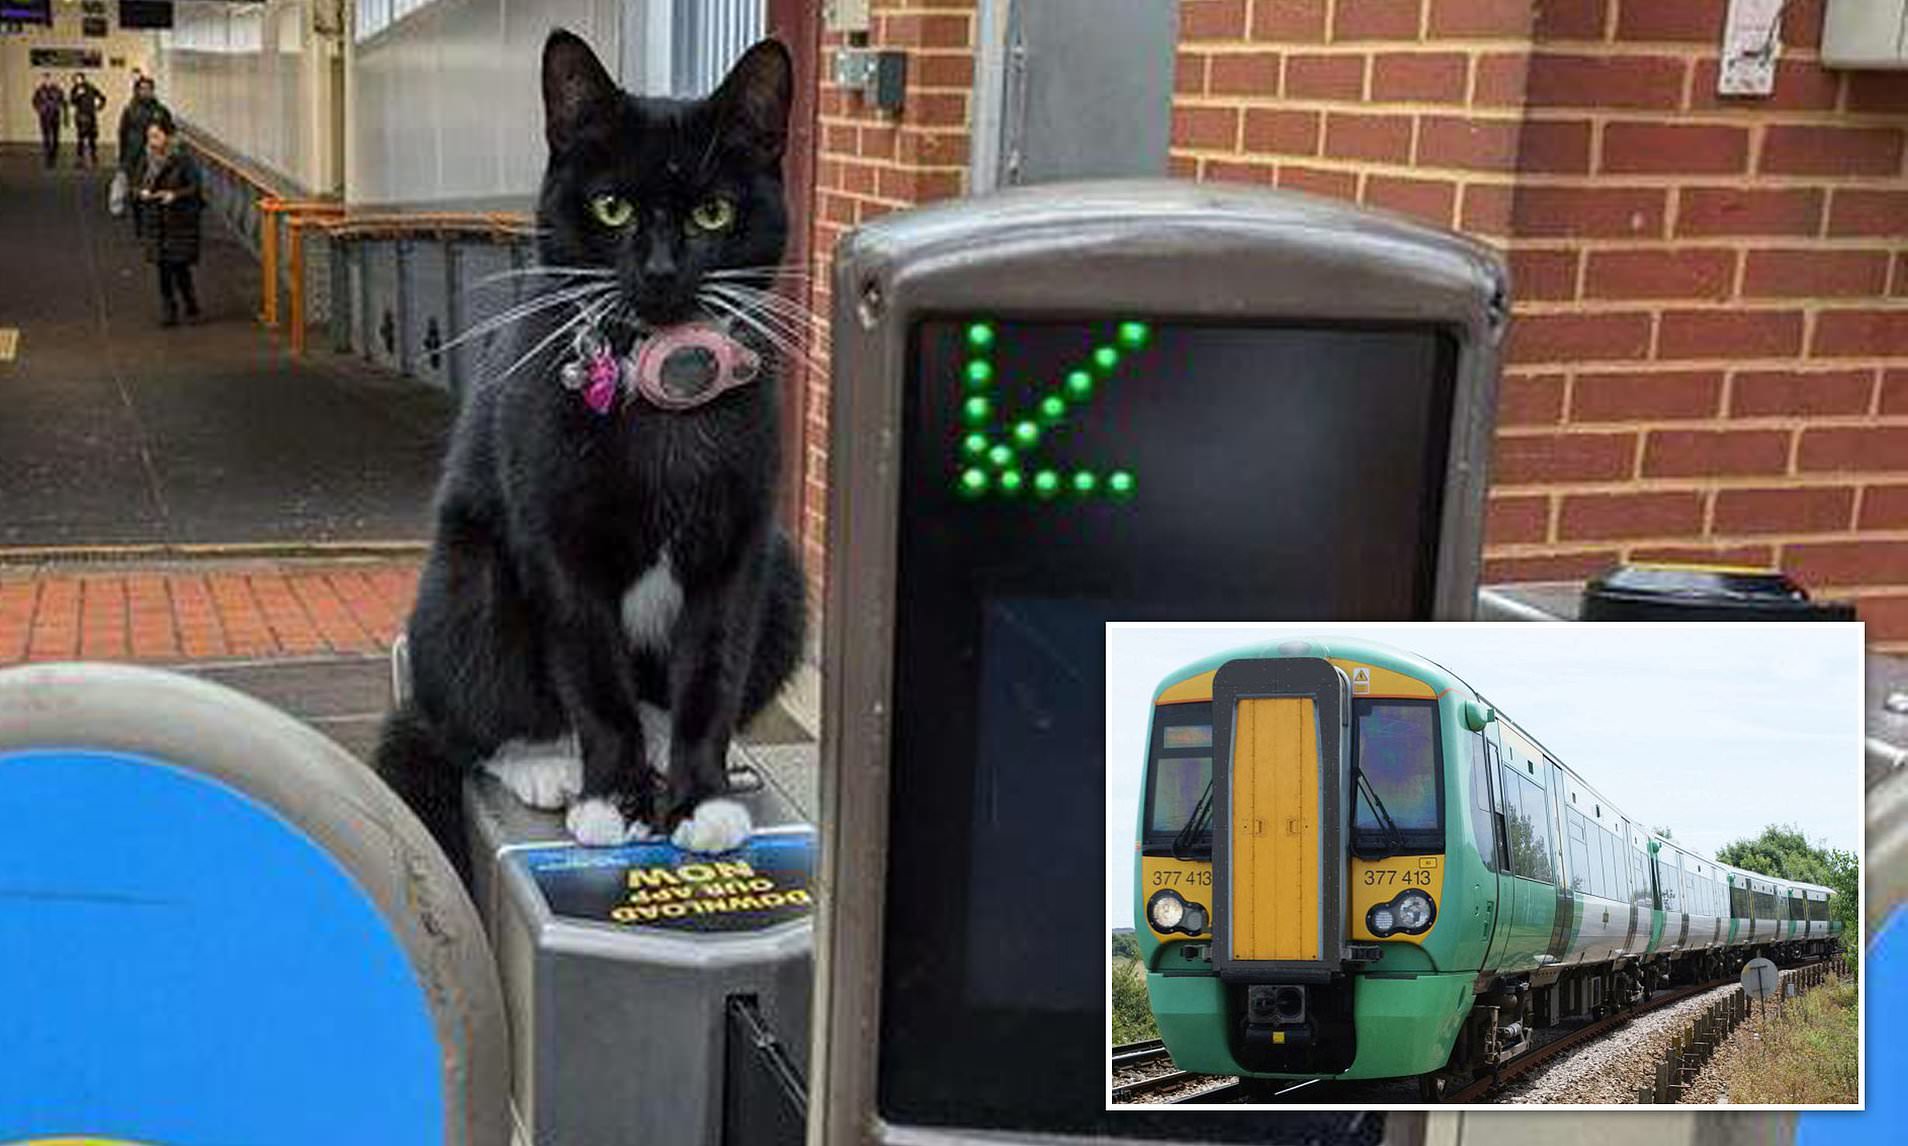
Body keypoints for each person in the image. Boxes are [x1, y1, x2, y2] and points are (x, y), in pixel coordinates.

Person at [137, 120, 203, 327]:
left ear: (168, 136)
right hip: (156, 220)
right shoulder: (146, 159)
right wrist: (141, 192)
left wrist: (175, 194)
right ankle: (169, 308)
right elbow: (136, 183)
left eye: (156, 136)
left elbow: (195, 187)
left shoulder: (183, 159)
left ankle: (189, 299)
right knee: (163, 267)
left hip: (179, 220)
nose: (152, 141)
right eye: (150, 137)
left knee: (179, 265)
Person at [118, 77, 173, 237]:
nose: (145, 92)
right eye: (142, 89)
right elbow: (123, 133)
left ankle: (155, 225)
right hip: (134, 157)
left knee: (156, 190)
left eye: (148, 89)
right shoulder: (130, 110)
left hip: (156, 157)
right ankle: (139, 225)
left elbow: (170, 132)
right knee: (136, 193)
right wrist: (122, 159)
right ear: (137, 91)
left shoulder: (161, 111)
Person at [69, 74, 107, 169]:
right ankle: (80, 158)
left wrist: (99, 107)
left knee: (92, 138)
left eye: (79, 78)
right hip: (80, 116)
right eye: (75, 79)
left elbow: (102, 97)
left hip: (91, 115)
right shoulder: (74, 89)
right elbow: (72, 101)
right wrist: (77, 95)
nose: (77, 80)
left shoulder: (91, 87)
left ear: (83, 78)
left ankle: (94, 157)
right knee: (80, 138)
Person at [32, 74, 66, 170]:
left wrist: (57, 105)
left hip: (55, 116)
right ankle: (47, 153)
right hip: (44, 117)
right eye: (45, 79)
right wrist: (40, 108)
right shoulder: (39, 90)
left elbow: (63, 101)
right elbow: (35, 101)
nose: (47, 81)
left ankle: (54, 153)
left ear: (52, 80)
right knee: (46, 135)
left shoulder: (57, 90)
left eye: (49, 79)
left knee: (55, 135)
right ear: (43, 80)